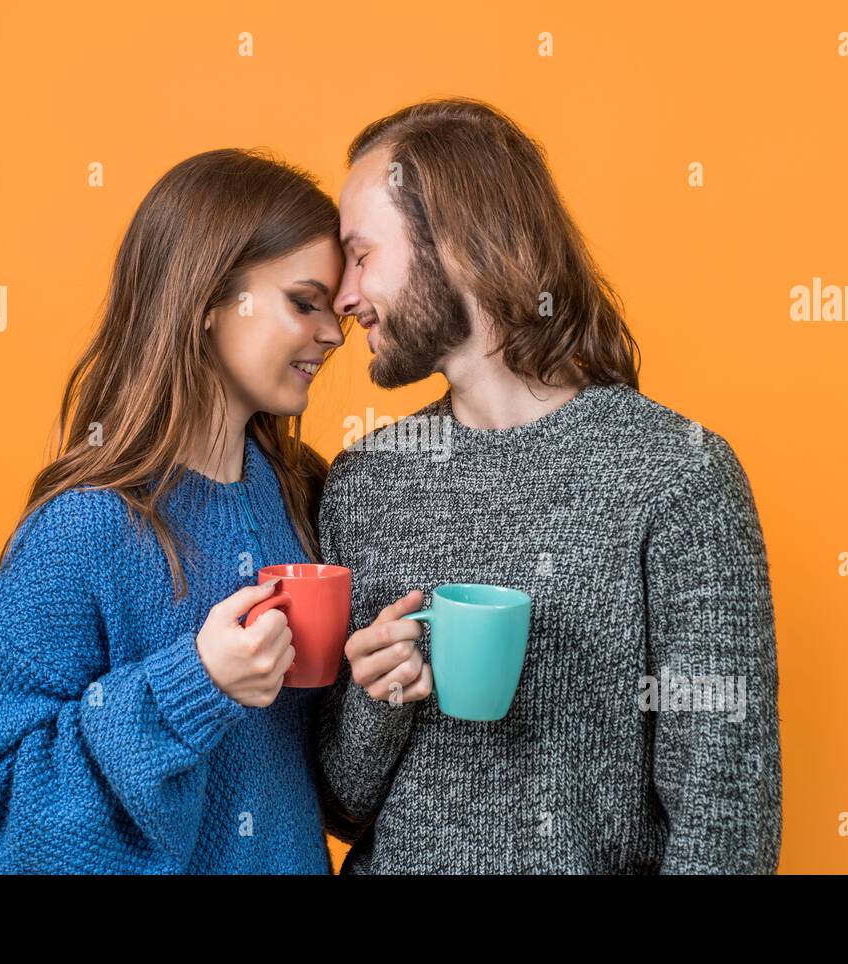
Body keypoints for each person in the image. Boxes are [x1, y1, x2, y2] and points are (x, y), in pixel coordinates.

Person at [310, 97, 783, 874]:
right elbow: (340, 804)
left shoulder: (678, 473)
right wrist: (375, 698)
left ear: (454, 241)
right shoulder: (367, 481)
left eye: (362, 256)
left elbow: (725, 817)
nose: (346, 297)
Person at [0, 148, 346, 874]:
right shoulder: (81, 531)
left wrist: (382, 686)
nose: (334, 333)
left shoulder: (302, 496)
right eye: (303, 301)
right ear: (208, 302)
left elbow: (321, 776)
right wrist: (195, 685)